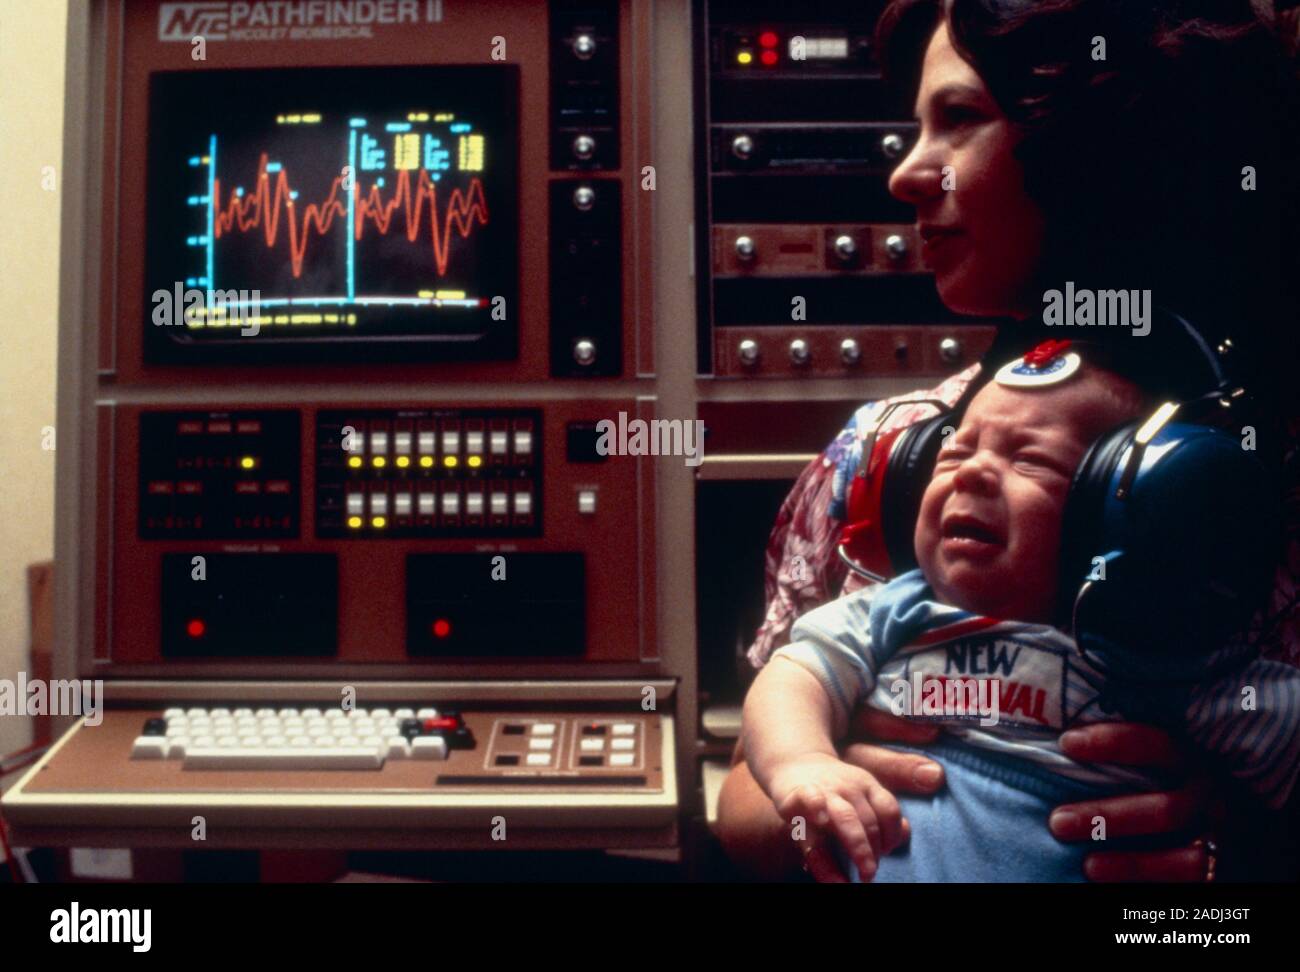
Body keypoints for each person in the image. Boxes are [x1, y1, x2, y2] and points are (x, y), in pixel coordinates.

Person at [716, 0, 1300, 882]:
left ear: (1106, 147)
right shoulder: (889, 451)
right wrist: (821, 797)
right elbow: (739, 807)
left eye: (958, 119)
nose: (907, 175)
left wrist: (1242, 860)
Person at [741, 351, 1298, 881]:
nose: (971, 474)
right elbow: (795, 675)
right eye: (953, 453)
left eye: (1029, 459)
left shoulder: (1158, 648)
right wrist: (803, 761)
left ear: (1120, 512)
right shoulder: (894, 611)